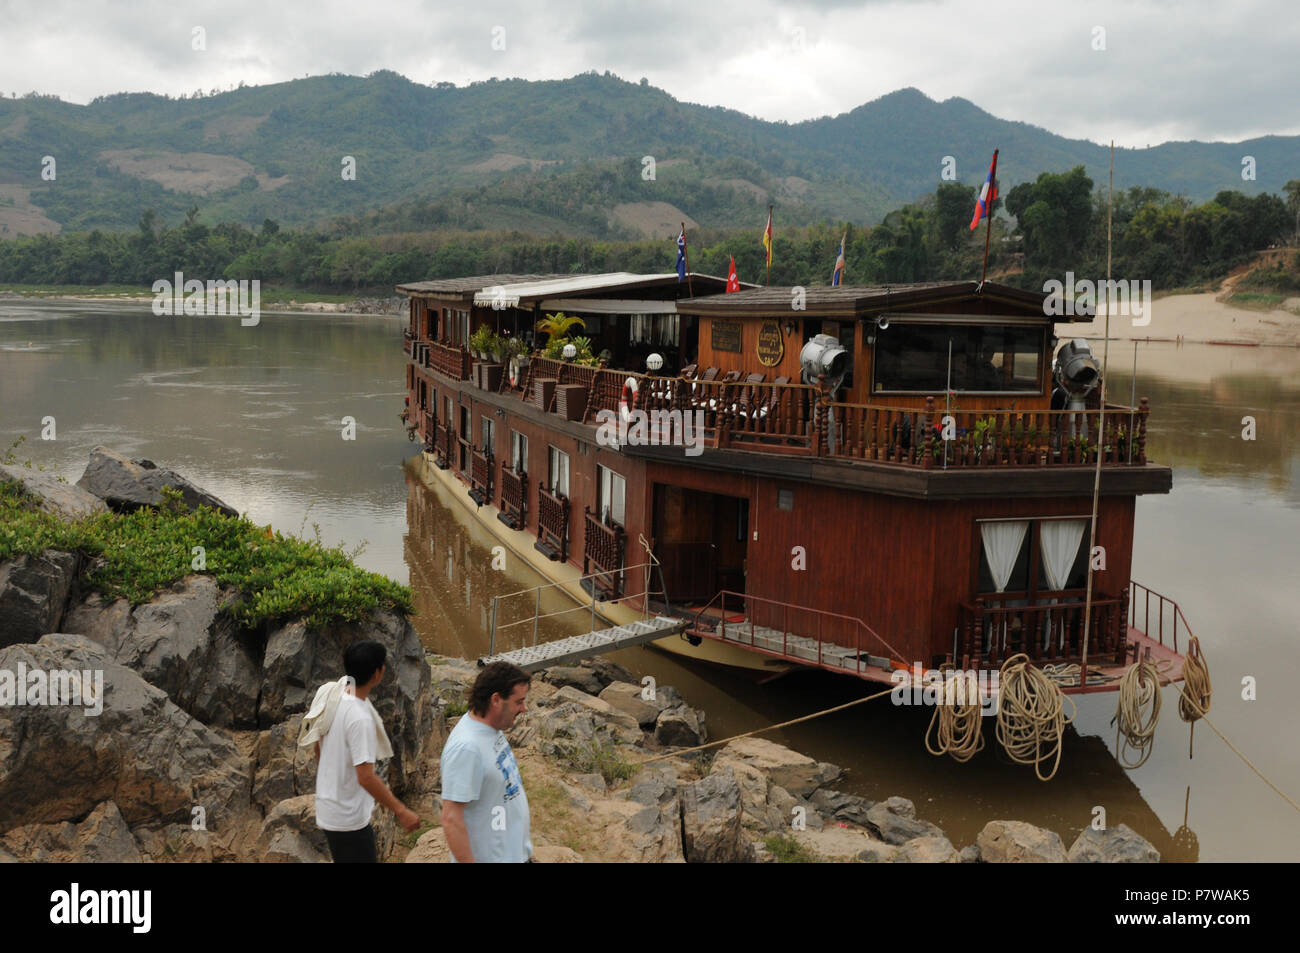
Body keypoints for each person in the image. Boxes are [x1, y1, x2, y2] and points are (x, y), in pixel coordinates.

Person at [309, 640, 420, 862]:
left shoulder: (333, 697)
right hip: (348, 820)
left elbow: (316, 746)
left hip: (329, 808)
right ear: (377, 674)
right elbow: (366, 777)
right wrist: (401, 810)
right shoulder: (360, 718)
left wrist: (333, 781)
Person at [440, 661, 533, 863]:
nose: (524, 709)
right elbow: (451, 819)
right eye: (519, 702)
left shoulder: (492, 729)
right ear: (496, 700)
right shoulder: (467, 748)